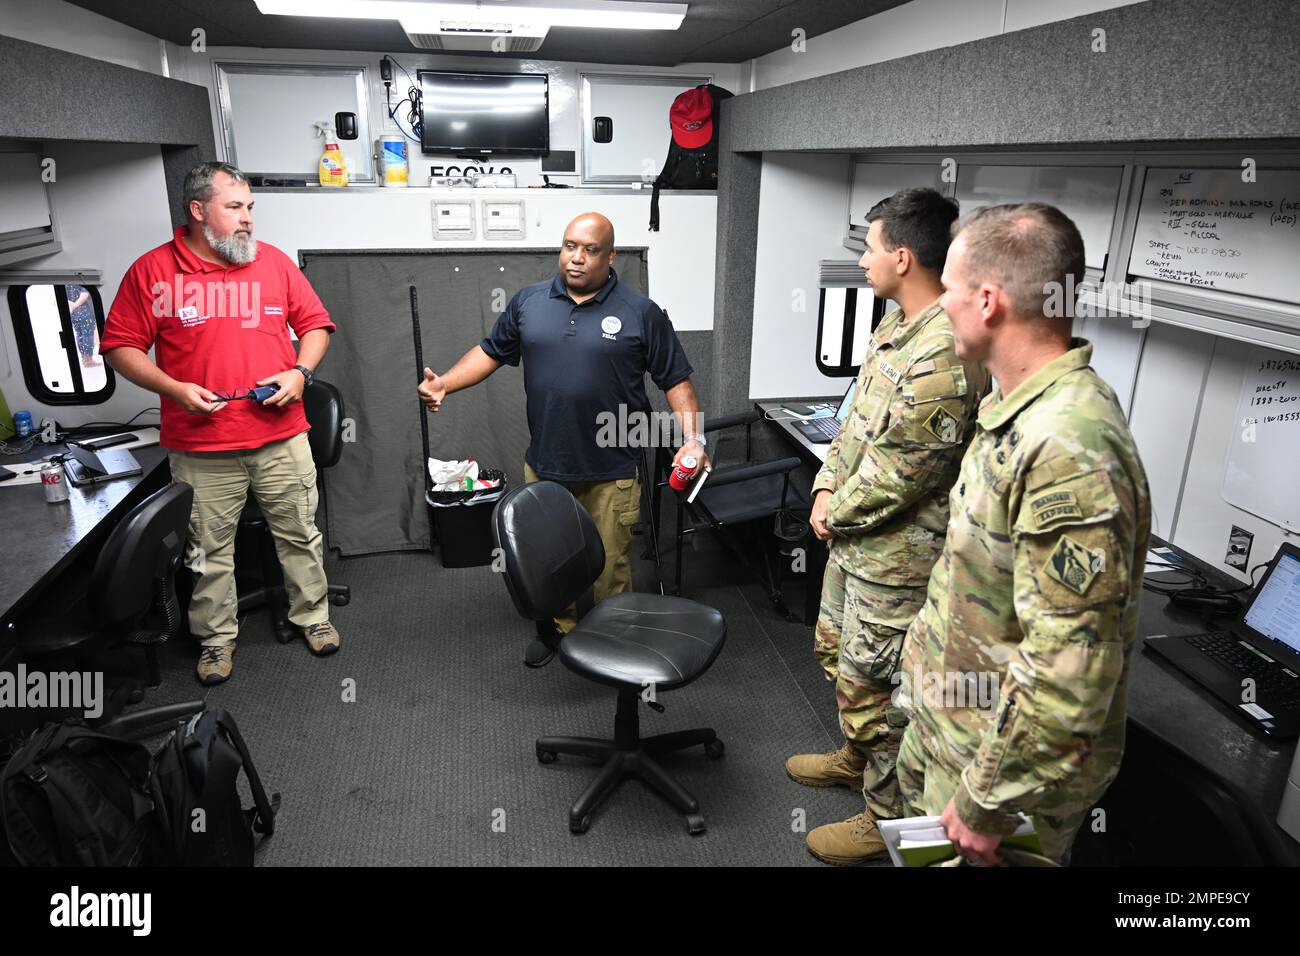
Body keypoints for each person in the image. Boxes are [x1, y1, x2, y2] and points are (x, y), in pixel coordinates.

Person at [894, 202, 1151, 865]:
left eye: (948, 290)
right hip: (955, 727)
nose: (939, 305)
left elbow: (1069, 666)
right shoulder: (1014, 406)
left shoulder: (1070, 443)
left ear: (987, 301)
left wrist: (989, 799)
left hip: (999, 774)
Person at [784, 187, 990, 864]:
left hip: (898, 562)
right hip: (854, 544)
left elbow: (904, 475)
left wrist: (832, 513)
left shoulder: (943, 356)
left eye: (868, 248)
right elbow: (855, 429)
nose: (862, 261)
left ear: (902, 256)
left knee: (879, 690)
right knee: (838, 658)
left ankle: (885, 815)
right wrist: (822, 488)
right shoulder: (895, 326)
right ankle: (856, 757)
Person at [417, 212, 706, 665]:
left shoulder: (640, 312)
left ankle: (616, 645)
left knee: (611, 567)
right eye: (570, 245)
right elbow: (491, 352)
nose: (577, 258)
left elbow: (677, 381)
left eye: (591, 250)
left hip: (613, 467)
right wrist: (445, 384)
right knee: (553, 564)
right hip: (547, 463)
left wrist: (693, 439)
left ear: (611, 257)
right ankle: (563, 634)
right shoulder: (530, 303)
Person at [101, 161, 342, 685]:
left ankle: (314, 617)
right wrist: (174, 388)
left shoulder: (273, 263)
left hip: (280, 436)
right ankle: (216, 640)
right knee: (207, 551)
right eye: (235, 207)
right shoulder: (152, 272)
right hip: (201, 445)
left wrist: (301, 372)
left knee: (300, 534)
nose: (248, 218)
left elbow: (317, 326)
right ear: (197, 210)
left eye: (250, 207)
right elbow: (119, 346)